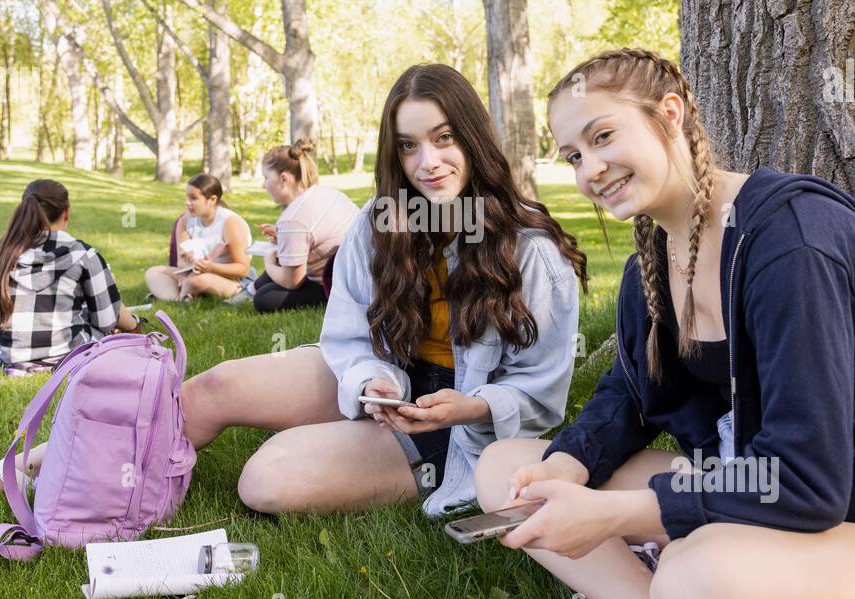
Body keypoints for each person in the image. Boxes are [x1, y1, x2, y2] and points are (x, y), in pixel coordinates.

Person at [472, 46, 855, 599]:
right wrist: (565, 465)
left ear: (670, 115)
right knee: (508, 471)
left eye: (602, 137)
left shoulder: (790, 242)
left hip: (839, 517)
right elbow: (626, 395)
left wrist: (616, 516)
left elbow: (808, 481)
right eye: (570, 155)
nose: (589, 169)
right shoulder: (651, 257)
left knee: (694, 577)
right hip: (752, 504)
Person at [180, 63, 589, 515]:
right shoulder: (378, 224)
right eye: (408, 146)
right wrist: (370, 382)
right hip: (387, 372)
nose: (427, 163)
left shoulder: (531, 249)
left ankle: (385, 455)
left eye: (444, 138)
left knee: (266, 479)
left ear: (473, 136)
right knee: (212, 387)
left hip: (459, 413)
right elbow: (349, 335)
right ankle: (120, 501)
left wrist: (468, 408)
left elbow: (541, 394)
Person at [0, 178, 143, 378]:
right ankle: (134, 326)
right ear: (66, 212)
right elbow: (105, 321)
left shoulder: (4, 253)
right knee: (102, 315)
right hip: (68, 355)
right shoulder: (82, 254)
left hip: (10, 357)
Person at [252, 139, 359, 313]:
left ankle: (249, 291)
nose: (263, 185)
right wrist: (283, 237)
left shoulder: (292, 219)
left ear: (283, 179)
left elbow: (292, 282)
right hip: (356, 273)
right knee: (270, 276)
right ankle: (249, 289)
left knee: (264, 297)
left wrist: (268, 262)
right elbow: (317, 234)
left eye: (266, 178)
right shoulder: (327, 192)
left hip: (336, 285)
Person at [144, 174, 253, 303]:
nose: (187, 202)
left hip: (232, 280)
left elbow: (242, 269)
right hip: (195, 273)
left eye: (193, 198)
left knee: (197, 281)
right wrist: (188, 265)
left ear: (212, 200)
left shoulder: (230, 222)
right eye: (187, 197)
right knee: (153, 273)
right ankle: (179, 299)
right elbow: (181, 263)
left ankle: (181, 294)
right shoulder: (185, 221)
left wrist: (211, 268)